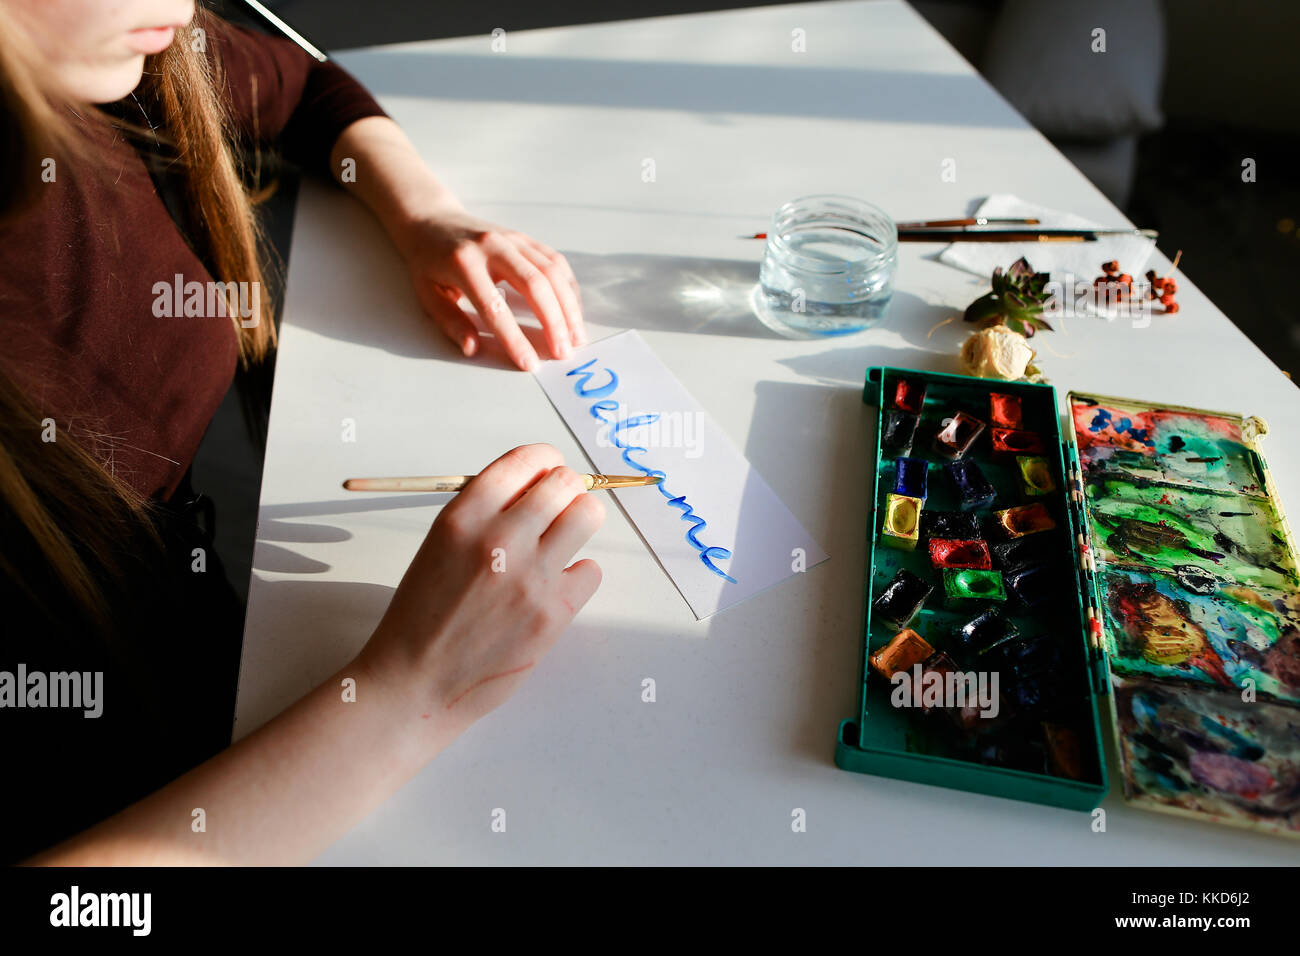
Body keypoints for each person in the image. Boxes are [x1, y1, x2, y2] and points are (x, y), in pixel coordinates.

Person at [0, 0, 603, 863]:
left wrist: (424, 213)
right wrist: (411, 692)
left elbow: (302, 88)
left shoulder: (107, 56)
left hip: (217, 673)